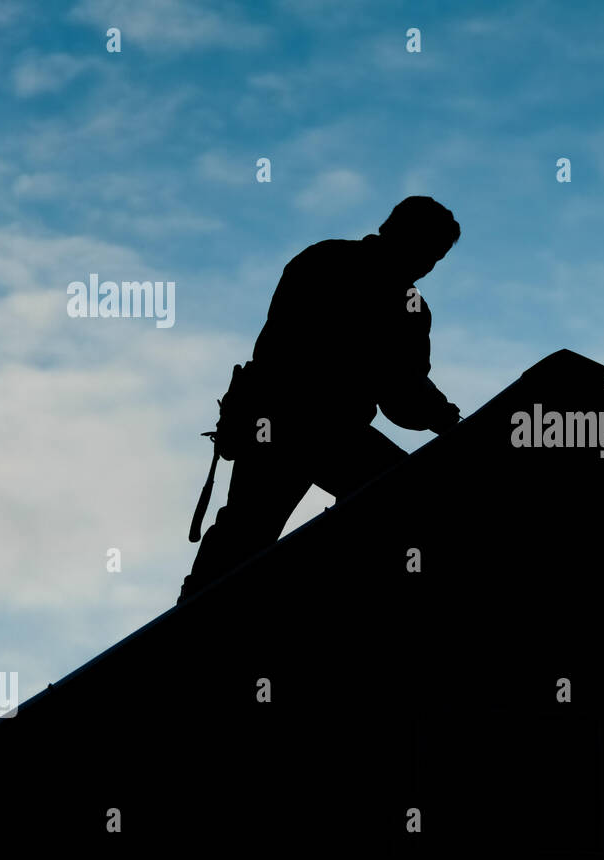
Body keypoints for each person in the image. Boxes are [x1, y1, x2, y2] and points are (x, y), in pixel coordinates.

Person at [177, 196, 463, 605]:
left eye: (435, 257)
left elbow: (402, 392)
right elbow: (401, 390)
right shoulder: (371, 285)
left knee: (246, 531)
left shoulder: (331, 262)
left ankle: (200, 610)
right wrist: (444, 418)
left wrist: (438, 414)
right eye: (428, 251)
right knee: (397, 496)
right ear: (399, 233)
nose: (427, 265)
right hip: (302, 425)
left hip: (298, 425)